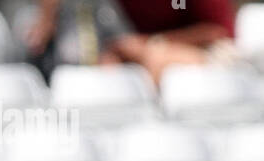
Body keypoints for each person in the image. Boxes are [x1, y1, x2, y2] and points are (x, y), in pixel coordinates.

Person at [26, 0, 236, 83]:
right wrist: (47, 16)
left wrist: (152, 43)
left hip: (211, 52)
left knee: (156, 58)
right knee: (108, 62)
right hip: (138, 52)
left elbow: (217, 32)